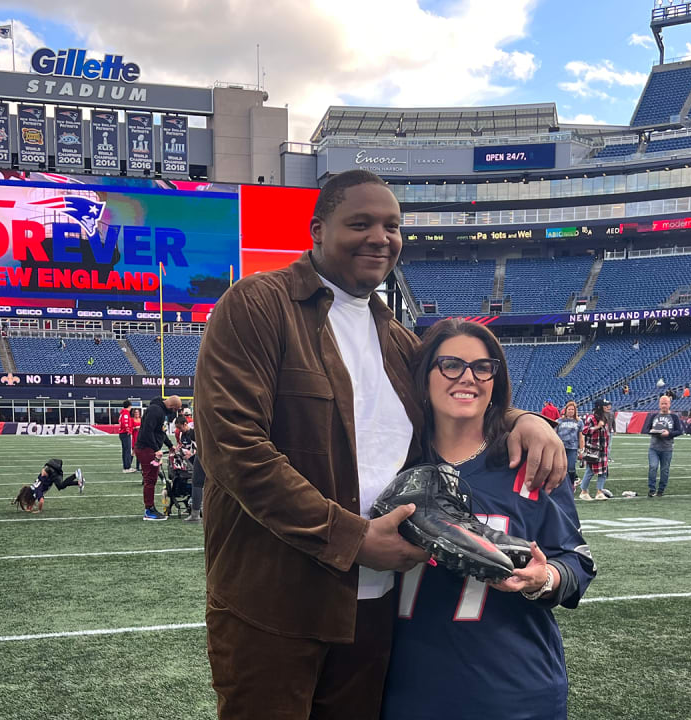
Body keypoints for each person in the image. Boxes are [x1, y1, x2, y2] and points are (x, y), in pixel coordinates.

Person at [193, 169, 565, 720]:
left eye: (392, 226)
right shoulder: (257, 305)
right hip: (274, 600)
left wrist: (521, 419)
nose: (381, 237)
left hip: (373, 607)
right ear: (318, 229)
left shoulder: (395, 336)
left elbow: (454, 385)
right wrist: (354, 539)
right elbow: (233, 447)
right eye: (360, 223)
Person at [382, 319, 596, 720]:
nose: (468, 377)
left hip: (513, 694)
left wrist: (541, 579)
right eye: (451, 365)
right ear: (424, 374)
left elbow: (577, 563)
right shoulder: (390, 466)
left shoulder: (530, 463)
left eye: (483, 367)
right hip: (406, 692)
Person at [135, 395, 183, 521]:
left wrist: (170, 445)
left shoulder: (158, 410)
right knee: (150, 479)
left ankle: (150, 508)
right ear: (172, 407)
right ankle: (149, 510)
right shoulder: (156, 410)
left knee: (152, 479)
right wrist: (156, 449)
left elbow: (160, 431)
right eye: (175, 409)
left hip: (149, 448)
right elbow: (147, 431)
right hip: (146, 448)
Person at [643, 395, 684, 498]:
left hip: (667, 448)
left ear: (669, 404)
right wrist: (653, 432)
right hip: (654, 447)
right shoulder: (653, 416)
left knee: (664, 470)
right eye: (662, 403)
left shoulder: (674, 417)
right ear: (659, 404)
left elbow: (679, 431)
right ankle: (652, 489)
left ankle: (661, 490)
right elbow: (645, 429)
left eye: (666, 403)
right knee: (653, 467)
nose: (664, 405)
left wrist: (669, 434)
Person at [12, 459, 85, 513]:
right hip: (49, 468)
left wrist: (39, 510)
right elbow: (29, 495)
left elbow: (41, 501)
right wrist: (28, 507)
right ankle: (79, 483)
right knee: (60, 485)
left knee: (61, 485)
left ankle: (76, 474)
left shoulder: (37, 491)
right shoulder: (32, 488)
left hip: (52, 469)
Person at [578, 399, 612, 502]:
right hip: (593, 449)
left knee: (603, 471)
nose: (608, 408)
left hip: (603, 449)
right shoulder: (591, 418)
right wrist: (597, 427)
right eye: (605, 406)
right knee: (590, 471)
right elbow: (585, 430)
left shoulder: (605, 418)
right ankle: (583, 491)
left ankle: (599, 491)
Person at [175, 416, 203, 523]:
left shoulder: (193, 432)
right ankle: (197, 512)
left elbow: (199, 446)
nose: (179, 430)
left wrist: (192, 453)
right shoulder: (184, 434)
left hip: (201, 457)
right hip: (197, 458)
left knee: (198, 483)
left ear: (185, 424)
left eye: (180, 427)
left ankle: (196, 513)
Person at [555, 401, 581, 487]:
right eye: (569, 409)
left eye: (572, 409)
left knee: (571, 468)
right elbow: (554, 434)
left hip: (572, 448)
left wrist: (582, 449)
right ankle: (560, 485)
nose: (571, 411)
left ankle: (571, 484)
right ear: (566, 410)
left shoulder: (579, 422)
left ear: (575, 411)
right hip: (560, 448)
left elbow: (581, 436)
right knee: (559, 467)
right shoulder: (559, 421)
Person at [118, 400, 136, 473]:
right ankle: (127, 467)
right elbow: (125, 422)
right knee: (127, 450)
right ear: (129, 406)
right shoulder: (126, 412)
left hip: (123, 433)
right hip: (125, 433)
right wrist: (128, 430)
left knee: (125, 450)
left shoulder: (123, 412)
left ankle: (126, 466)